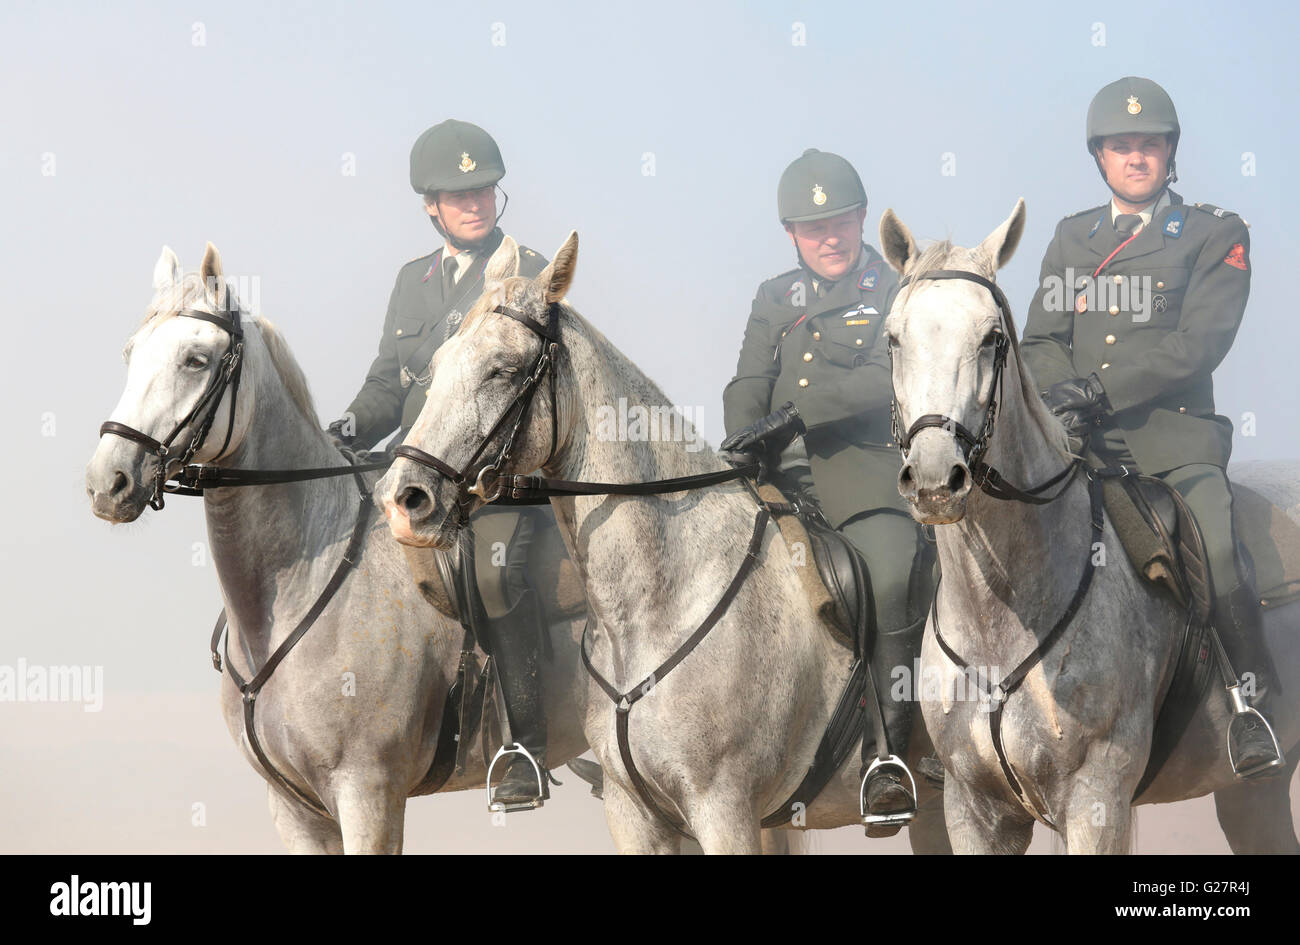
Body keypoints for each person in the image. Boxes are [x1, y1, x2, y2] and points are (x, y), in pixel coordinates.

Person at [1021, 77, 1284, 777]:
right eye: (1121, 147)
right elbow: (1039, 339)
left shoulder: (1214, 233)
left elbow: (1200, 341)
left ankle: (1253, 705)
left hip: (1174, 448)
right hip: (1082, 451)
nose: (1135, 158)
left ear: (1170, 154)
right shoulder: (1071, 238)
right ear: (1100, 158)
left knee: (1221, 555)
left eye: (1149, 146)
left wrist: (1099, 386)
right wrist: (1058, 393)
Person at [327, 119, 557, 808]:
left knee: (492, 572)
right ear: (431, 204)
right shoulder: (412, 281)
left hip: (497, 481)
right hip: (423, 473)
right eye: (461, 194)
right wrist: (350, 422)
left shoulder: (527, 269)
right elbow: (388, 383)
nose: (477, 202)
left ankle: (527, 746)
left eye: (485, 190)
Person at [720, 149, 934, 834]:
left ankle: (890, 756)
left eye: (841, 221)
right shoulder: (774, 297)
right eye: (814, 228)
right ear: (791, 234)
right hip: (773, 479)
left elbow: (883, 378)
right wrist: (743, 437)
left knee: (894, 572)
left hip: (864, 478)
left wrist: (796, 417)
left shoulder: (895, 286)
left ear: (863, 218)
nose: (830, 237)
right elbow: (747, 380)